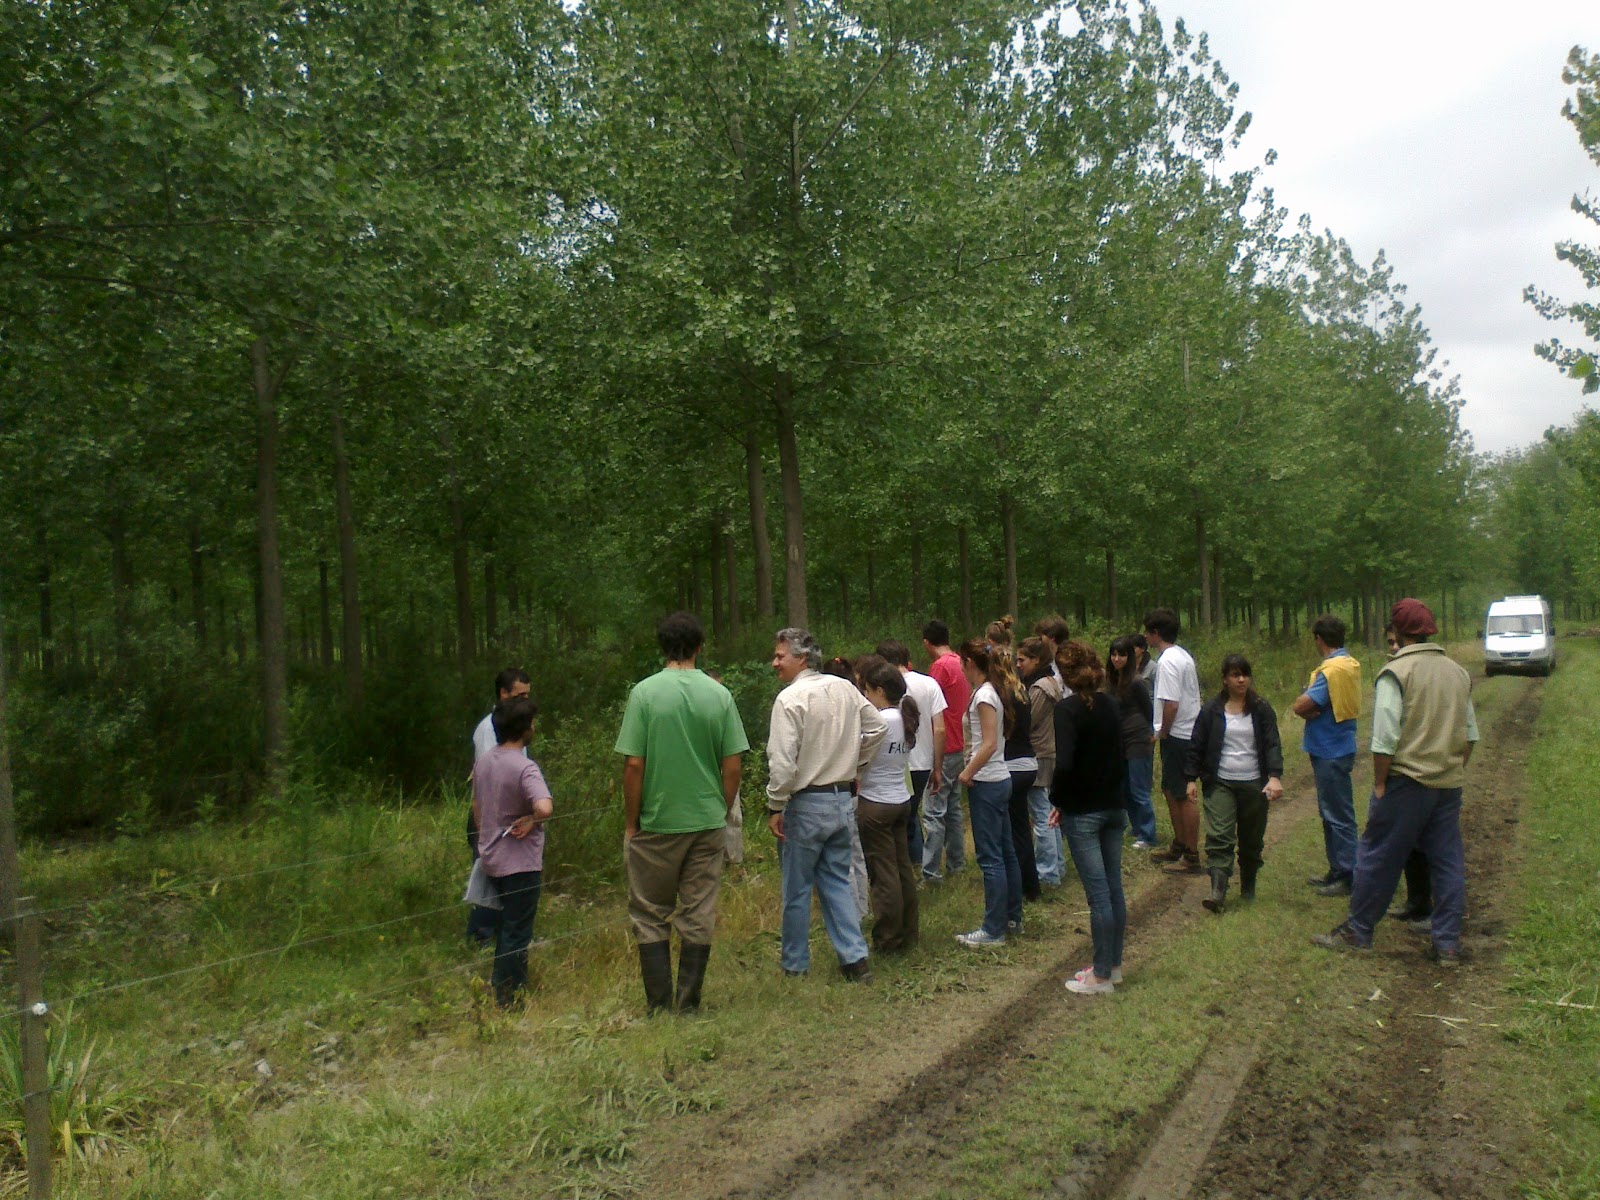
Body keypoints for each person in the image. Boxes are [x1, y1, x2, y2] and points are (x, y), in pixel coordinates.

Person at [1313, 599, 1479, 964]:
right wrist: (1451, 767)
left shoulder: (1396, 673)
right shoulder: (1457, 672)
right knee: (1448, 859)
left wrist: (1380, 783)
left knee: (1376, 854)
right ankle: (1448, 942)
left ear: (1399, 632)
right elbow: (1469, 736)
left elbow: (1384, 740)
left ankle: (1359, 930)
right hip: (1447, 784)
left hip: (1406, 781)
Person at [615, 613, 749, 1015]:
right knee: (698, 911)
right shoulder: (719, 695)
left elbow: (634, 765)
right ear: (699, 647)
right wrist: (720, 808)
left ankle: (659, 1005)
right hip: (707, 822)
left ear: (662, 647)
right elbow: (734, 765)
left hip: (657, 823)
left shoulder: (643, 694)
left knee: (649, 912)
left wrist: (631, 822)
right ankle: (688, 1003)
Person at [766, 628, 887, 980]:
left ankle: (795, 964)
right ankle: (855, 960)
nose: (775, 662)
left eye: (779, 655)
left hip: (806, 803)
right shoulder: (845, 689)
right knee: (836, 881)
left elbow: (782, 762)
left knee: (797, 888)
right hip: (841, 800)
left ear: (801, 658)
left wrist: (776, 804)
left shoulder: (790, 700)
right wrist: (856, 764)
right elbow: (878, 726)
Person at [1048, 640, 1126, 995]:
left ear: (1064, 674)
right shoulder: (1111, 704)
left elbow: (1063, 764)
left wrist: (1057, 799)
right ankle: (1113, 964)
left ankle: (1100, 977)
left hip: (1083, 812)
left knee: (1098, 896)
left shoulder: (1067, 710)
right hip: (1113, 804)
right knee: (1113, 888)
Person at [1183, 654, 1285, 913]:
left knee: (1251, 839)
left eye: (1244, 675)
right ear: (1224, 679)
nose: (1241, 680)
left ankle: (1248, 886)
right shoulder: (1211, 711)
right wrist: (1190, 779)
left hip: (1254, 783)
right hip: (1220, 782)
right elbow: (1197, 745)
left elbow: (1272, 743)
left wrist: (1274, 776)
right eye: (1235, 675)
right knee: (1219, 836)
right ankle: (1218, 892)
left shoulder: (1261, 708)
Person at [471, 694, 553, 1006]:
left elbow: (477, 806)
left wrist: (485, 837)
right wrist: (532, 819)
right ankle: (509, 998)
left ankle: (501, 986)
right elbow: (545, 807)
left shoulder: (485, 762)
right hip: (520, 863)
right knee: (517, 933)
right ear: (525, 729)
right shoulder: (524, 767)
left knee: (505, 927)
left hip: (490, 857)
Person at [954, 639, 1023, 946]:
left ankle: (993, 929)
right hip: (998, 779)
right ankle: (1012, 916)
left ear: (970, 663)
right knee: (1006, 852)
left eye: (961, 662)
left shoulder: (983, 695)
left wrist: (967, 772)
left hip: (988, 782)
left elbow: (990, 742)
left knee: (990, 857)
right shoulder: (991, 691)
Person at [854, 659, 923, 954]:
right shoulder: (903, 718)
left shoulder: (878, 723)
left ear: (880, 690)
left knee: (884, 876)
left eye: (867, 690)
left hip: (876, 804)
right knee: (902, 869)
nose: (866, 696)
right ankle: (909, 930)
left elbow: (857, 756)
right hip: (900, 800)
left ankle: (888, 939)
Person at [1292, 615, 1362, 898]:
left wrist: (1305, 705)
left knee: (1338, 814)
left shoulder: (1330, 671)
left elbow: (1300, 705)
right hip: (1340, 742)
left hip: (1329, 748)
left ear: (1319, 639)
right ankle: (1338, 869)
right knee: (1331, 811)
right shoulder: (1350, 664)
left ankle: (1347, 874)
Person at [468, 667, 530, 946]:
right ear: (503, 694)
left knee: (508, 879)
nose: (525, 701)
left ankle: (504, 937)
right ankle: (481, 937)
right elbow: (486, 776)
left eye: (528, 696)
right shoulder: (488, 729)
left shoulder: (516, 725)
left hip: (510, 816)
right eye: (520, 695)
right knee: (488, 875)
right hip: (490, 816)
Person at [875, 639, 946, 868]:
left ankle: (905, 864)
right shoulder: (929, 683)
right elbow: (941, 728)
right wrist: (937, 767)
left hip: (898, 761)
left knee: (902, 820)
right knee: (911, 814)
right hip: (923, 762)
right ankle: (915, 864)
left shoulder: (885, 689)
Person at [1144, 609, 1202, 873]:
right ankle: (1179, 844)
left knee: (1182, 794)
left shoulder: (1167, 661)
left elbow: (1171, 703)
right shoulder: (1182, 655)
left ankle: (1191, 854)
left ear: (1156, 633)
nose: (1145, 636)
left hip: (1179, 734)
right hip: (1187, 731)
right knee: (1171, 789)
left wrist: (1163, 731)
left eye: (1147, 631)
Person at [822, 655, 873, 921]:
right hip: (852, 783)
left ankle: (851, 912)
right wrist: (860, 763)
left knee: (844, 857)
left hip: (839, 785)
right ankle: (860, 908)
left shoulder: (828, 706)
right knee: (856, 853)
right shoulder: (857, 702)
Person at [921, 620, 971, 882]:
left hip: (946, 745)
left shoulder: (940, 667)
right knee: (952, 807)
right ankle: (957, 863)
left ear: (927, 643)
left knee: (934, 809)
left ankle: (930, 870)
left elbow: (931, 704)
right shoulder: (960, 662)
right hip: (960, 744)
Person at [993, 639, 1040, 903]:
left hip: (1010, 765)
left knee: (1010, 833)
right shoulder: (1022, 690)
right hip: (1028, 763)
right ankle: (1031, 886)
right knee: (1021, 828)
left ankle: (1017, 887)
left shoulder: (1002, 696)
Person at [1017, 637, 1064, 887]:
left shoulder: (1040, 689)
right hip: (1045, 751)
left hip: (1040, 753)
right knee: (1047, 812)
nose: (1018, 664)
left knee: (1041, 812)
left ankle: (1047, 873)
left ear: (1037, 660)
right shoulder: (1047, 683)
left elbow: (1028, 720)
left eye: (1022, 660)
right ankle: (1057, 866)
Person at [1106, 636, 1158, 849]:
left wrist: (1151, 733)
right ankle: (1136, 828)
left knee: (1139, 788)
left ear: (1130, 657)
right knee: (1125, 787)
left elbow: (1148, 710)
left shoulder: (1136, 682)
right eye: (1114, 654)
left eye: (1122, 655)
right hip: (1119, 738)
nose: (1117, 659)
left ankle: (1148, 834)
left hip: (1137, 737)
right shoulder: (1110, 680)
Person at [1033, 615, 1071, 683]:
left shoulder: (1067, 663)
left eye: (1041, 637)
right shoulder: (1050, 664)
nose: (1039, 641)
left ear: (1052, 637)